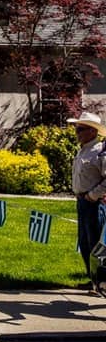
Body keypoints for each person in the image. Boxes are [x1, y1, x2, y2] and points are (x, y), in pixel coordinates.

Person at [67, 112, 106, 291]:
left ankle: (101, 281)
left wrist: (93, 195)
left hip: (94, 203)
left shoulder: (100, 151)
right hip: (82, 201)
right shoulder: (83, 150)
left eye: (80, 129)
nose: (77, 133)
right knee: (84, 243)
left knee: (96, 243)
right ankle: (93, 280)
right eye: (77, 129)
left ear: (92, 131)